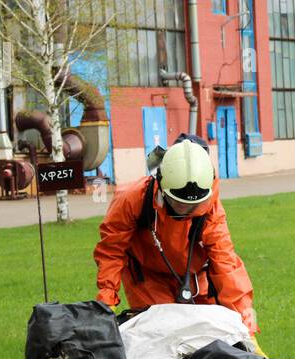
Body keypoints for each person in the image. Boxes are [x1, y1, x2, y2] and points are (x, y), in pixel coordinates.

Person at [93, 134, 259, 334]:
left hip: (194, 277)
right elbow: (112, 250)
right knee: (159, 335)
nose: (184, 210)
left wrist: (243, 313)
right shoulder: (132, 199)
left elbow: (224, 258)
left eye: (192, 206)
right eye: (178, 203)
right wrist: (107, 298)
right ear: (162, 188)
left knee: (213, 333)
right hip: (147, 278)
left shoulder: (210, 207)